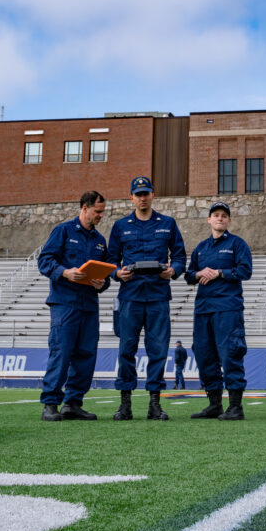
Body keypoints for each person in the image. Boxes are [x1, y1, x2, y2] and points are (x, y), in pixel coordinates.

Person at [107, 177, 186, 422]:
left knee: (158, 351)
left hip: (158, 297)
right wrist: (117, 273)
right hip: (129, 297)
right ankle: (125, 405)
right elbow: (110, 260)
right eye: (138, 194)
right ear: (131, 197)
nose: (142, 198)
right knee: (126, 350)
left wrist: (173, 270)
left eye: (146, 193)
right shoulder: (120, 226)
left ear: (153, 195)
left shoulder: (168, 223)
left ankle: (154, 405)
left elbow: (180, 257)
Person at [37, 191, 110, 422]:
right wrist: (65, 272)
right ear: (84, 207)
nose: (101, 216)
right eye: (97, 211)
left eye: (103, 212)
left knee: (86, 354)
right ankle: (50, 403)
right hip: (65, 303)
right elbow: (44, 261)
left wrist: (102, 283)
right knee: (61, 351)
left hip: (89, 304)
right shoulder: (63, 231)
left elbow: (106, 275)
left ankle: (73, 403)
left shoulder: (100, 241)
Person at [185, 201, 252, 421]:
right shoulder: (201, 248)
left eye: (224, 215)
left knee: (230, 354)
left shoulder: (237, 244)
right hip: (203, 309)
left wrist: (220, 273)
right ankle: (214, 404)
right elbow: (188, 275)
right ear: (209, 220)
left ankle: (235, 407)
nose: (220, 218)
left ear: (229, 220)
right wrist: (198, 274)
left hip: (228, 309)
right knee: (204, 356)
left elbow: (245, 271)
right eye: (216, 215)